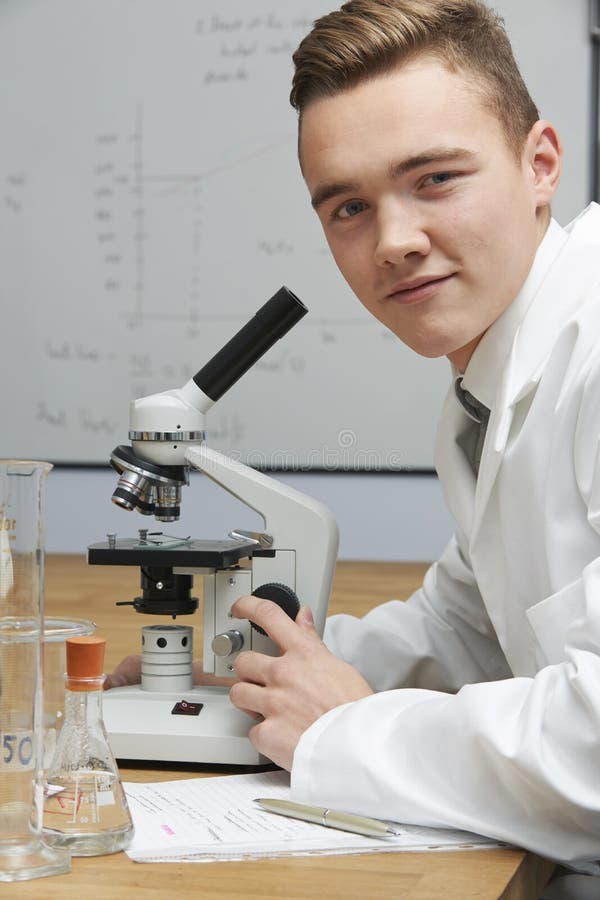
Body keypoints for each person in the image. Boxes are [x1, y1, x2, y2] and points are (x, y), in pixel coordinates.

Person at [109, 2, 600, 896]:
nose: (395, 242)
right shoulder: (488, 389)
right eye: (349, 207)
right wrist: (253, 671)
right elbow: (466, 630)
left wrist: (344, 731)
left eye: (436, 179)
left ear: (541, 165)